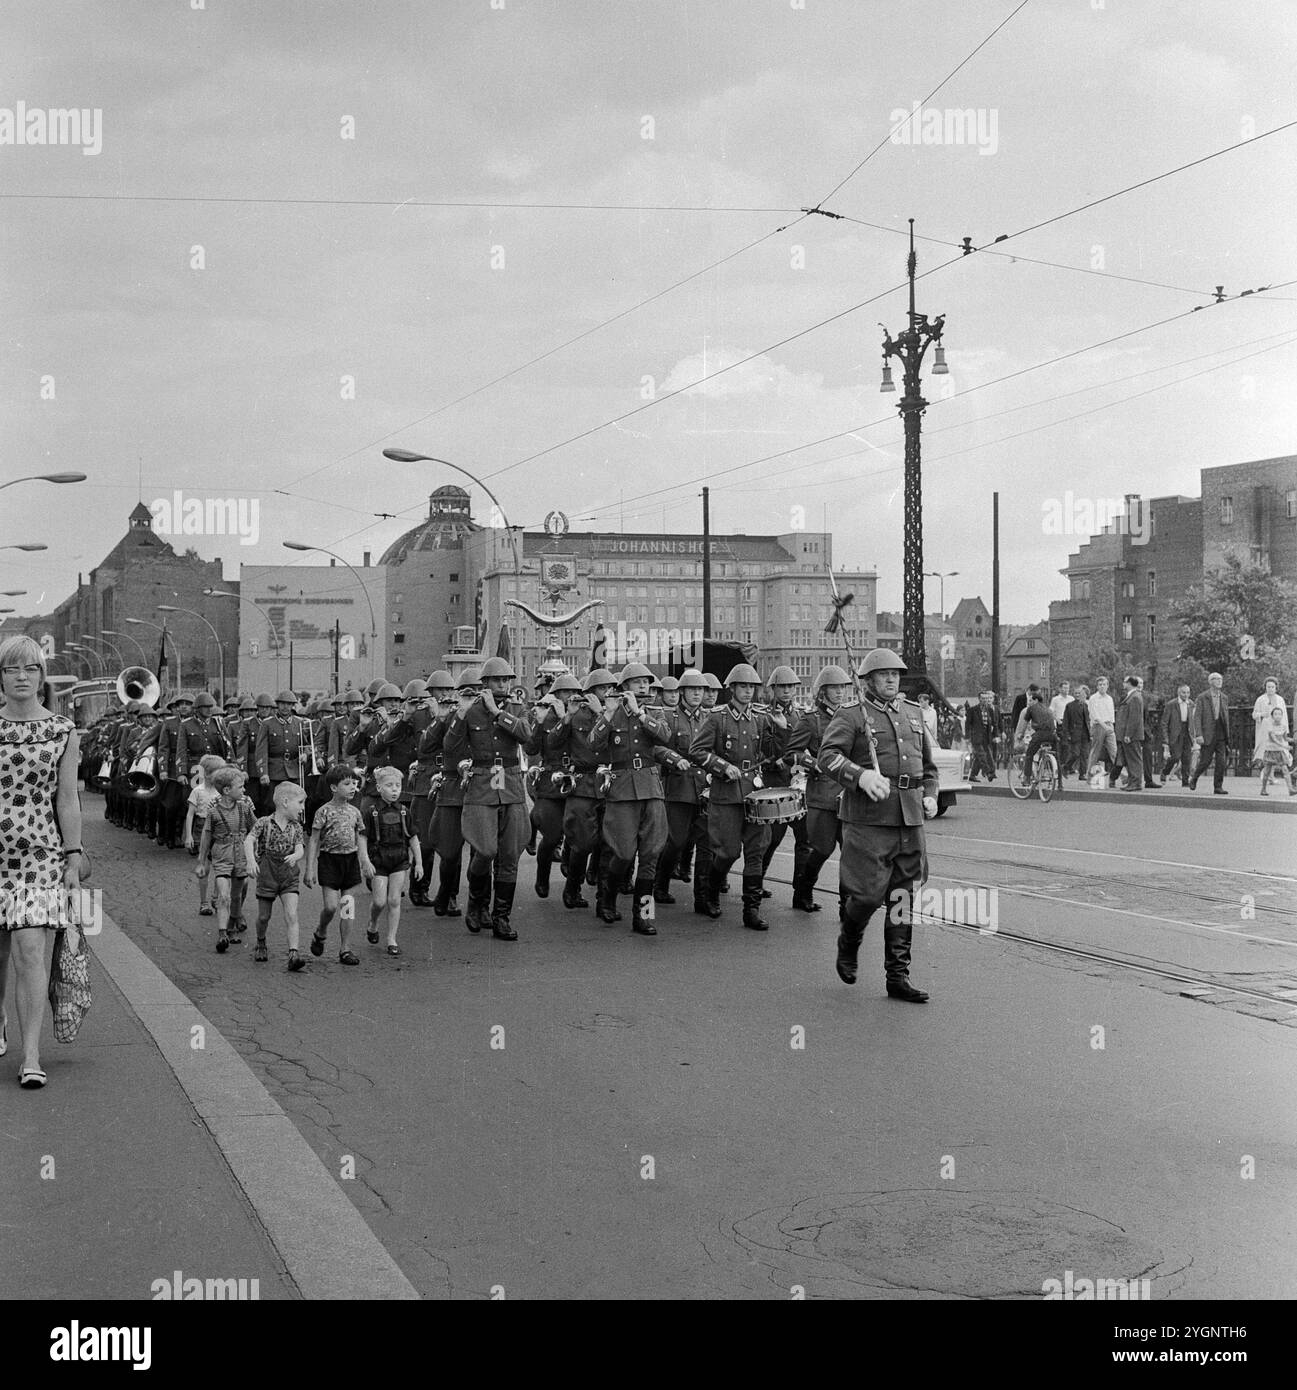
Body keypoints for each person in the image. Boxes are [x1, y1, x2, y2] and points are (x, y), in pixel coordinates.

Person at [816, 648, 937, 1001]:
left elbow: (927, 768)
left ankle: (897, 976)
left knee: (902, 896)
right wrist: (860, 775)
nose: (891, 680)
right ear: (867, 679)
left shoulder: (913, 714)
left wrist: (930, 793)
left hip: (909, 819)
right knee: (867, 895)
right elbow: (827, 757)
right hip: (869, 820)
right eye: (883, 674)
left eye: (895, 674)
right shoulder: (853, 715)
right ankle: (849, 939)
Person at [0, 636, 85, 1089]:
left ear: (41, 676)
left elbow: (67, 798)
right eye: (11, 669)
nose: (21, 677)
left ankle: (31, 1055)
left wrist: (73, 856)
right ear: (1, 677)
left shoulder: (62, 730)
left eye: (29, 669)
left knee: (30, 949)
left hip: (39, 855)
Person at [688, 663, 789, 931]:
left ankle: (751, 909)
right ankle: (710, 891)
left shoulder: (760, 717)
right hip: (726, 794)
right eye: (743, 686)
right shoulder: (717, 717)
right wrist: (722, 767)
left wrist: (782, 729)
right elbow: (697, 751)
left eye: (751, 687)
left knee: (757, 850)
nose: (747, 691)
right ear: (732, 688)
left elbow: (775, 753)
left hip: (754, 793)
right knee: (728, 851)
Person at [443, 656, 532, 941]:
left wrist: (497, 713)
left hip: (511, 784)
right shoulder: (470, 710)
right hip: (482, 784)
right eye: (497, 680)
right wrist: (459, 714)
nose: (503, 684)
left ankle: (501, 916)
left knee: (509, 854)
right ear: (485, 683)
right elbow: (450, 747)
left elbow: (526, 736)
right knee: (485, 849)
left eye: (506, 680)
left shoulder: (517, 707)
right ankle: (476, 903)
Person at [589, 663, 672, 935]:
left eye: (646, 682)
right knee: (623, 854)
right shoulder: (610, 714)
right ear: (624, 687)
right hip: (622, 790)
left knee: (651, 854)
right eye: (637, 682)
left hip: (651, 787)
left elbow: (664, 737)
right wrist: (608, 714)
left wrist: (639, 713)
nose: (644, 687)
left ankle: (644, 915)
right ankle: (607, 896)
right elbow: (593, 745)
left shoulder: (653, 712)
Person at [552, 668, 617, 913]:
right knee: (582, 843)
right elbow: (553, 743)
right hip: (582, 784)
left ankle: (604, 898)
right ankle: (573, 887)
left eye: (611, 689)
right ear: (589, 693)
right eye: (602, 689)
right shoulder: (575, 714)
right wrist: (566, 718)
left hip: (608, 784)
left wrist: (604, 714)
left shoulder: (615, 715)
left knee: (608, 843)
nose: (608, 693)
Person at [652, 668, 713, 914]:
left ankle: (702, 898)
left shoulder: (710, 718)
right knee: (675, 842)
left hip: (705, 787)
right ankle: (660, 884)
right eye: (692, 689)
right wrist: (673, 758)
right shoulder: (668, 717)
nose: (697, 694)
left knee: (707, 843)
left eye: (701, 690)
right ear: (682, 692)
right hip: (678, 787)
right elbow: (656, 747)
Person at [796, 665, 853, 916]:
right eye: (834, 688)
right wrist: (814, 763)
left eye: (842, 687)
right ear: (822, 692)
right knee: (821, 848)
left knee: (850, 852)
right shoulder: (811, 720)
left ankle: (846, 904)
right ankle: (803, 890)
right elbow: (792, 753)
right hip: (821, 794)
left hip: (848, 793)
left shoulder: (851, 716)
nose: (839, 692)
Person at [304, 763, 372, 964]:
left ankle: (345, 949)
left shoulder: (355, 812)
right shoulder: (323, 811)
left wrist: (364, 860)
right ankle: (321, 930)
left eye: (354, 784)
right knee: (331, 907)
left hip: (349, 861)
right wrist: (309, 870)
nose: (353, 787)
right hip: (329, 860)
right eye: (347, 784)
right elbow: (314, 840)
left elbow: (360, 836)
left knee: (347, 906)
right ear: (334, 787)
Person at [759, 667, 813, 908]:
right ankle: (755, 882)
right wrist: (781, 739)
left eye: (791, 687)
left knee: (805, 840)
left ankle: (801, 893)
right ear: (773, 689)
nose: (788, 691)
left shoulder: (801, 715)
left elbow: (804, 745)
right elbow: (765, 750)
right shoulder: (763, 716)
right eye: (783, 687)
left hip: (798, 785)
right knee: (772, 839)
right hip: (776, 785)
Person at [525, 673, 581, 899]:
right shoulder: (545, 717)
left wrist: (569, 717)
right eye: (564, 693)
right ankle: (542, 874)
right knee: (551, 835)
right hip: (551, 780)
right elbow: (531, 748)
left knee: (579, 836)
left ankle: (573, 889)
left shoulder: (583, 716)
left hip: (576, 779)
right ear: (555, 695)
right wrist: (542, 723)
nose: (569, 697)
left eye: (573, 693)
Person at [245, 781, 308, 969]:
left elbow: (300, 849)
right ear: (285, 802)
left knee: (292, 914)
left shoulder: (296, 826)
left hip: (289, 876)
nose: (303, 808)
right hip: (268, 874)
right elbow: (248, 840)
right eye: (300, 803)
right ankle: (261, 941)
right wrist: (250, 861)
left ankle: (293, 954)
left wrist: (296, 856)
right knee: (264, 917)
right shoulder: (264, 822)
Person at [196, 764, 256, 954]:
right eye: (241, 787)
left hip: (240, 857)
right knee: (223, 895)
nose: (244, 790)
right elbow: (206, 837)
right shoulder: (213, 813)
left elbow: (257, 829)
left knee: (236, 896)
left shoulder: (245, 808)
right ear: (227, 791)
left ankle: (232, 927)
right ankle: (222, 933)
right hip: (221, 856)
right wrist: (201, 861)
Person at [363, 766, 422, 956]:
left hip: (399, 860)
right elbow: (362, 838)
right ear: (379, 788)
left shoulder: (404, 811)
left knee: (394, 900)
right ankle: (373, 924)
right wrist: (365, 861)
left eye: (398, 785)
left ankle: (391, 939)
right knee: (379, 902)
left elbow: (413, 838)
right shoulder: (371, 812)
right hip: (379, 860)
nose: (395, 789)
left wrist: (419, 863)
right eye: (389, 785)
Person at [185, 753, 227, 915]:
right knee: (205, 866)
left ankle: (215, 898)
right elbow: (190, 814)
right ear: (208, 774)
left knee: (220, 866)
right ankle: (203, 902)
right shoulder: (198, 791)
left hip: (219, 828)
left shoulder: (222, 792)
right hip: (202, 827)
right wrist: (188, 836)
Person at [1190, 672, 1231, 794]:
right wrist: (1198, 734)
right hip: (1208, 733)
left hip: (1221, 732)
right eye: (1216, 679)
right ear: (1210, 682)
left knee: (1221, 761)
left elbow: (1225, 716)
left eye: (1220, 679)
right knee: (1205, 761)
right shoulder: (1203, 697)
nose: (1219, 681)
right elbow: (1197, 717)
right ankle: (1194, 778)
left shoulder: (1224, 697)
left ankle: (1218, 787)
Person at [1013, 688, 1058, 782]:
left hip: (1040, 734)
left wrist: (1020, 735)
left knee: (1029, 754)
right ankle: (1059, 782)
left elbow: (1024, 724)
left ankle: (1027, 778)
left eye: (1030, 700)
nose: (1029, 702)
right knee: (1057, 757)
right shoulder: (1048, 709)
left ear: (1036, 700)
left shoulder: (1031, 709)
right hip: (1052, 735)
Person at [1114, 675, 1145, 790]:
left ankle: (1136, 783)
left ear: (1130, 683)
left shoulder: (1135, 697)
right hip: (1128, 734)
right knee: (1130, 759)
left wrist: (1128, 734)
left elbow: (1134, 718)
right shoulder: (1131, 696)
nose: (1123, 684)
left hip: (1132, 735)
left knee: (1134, 759)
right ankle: (1132, 782)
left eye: (1125, 682)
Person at [1161, 683, 1195, 786]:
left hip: (1187, 732)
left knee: (1187, 758)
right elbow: (1164, 722)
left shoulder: (1191, 704)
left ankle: (1185, 781)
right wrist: (1166, 738)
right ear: (1178, 693)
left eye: (1188, 692)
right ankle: (1165, 772)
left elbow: (1193, 720)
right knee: (1175, 757)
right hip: (1175, 733)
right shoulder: (1171, 704)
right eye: (1183, 692)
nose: (1186, 695)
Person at [1085, 677, 1117, 782]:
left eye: (1104, 684)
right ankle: (1089, 775)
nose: (1102, 686)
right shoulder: (1093, 698)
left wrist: (1111, 726)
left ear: (1107, 685)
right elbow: (1094, 715)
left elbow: (1111, 714)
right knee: (1095, 751)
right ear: (1097, 686)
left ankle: (1122, 775)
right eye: (1100, 684)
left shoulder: (1109, 698)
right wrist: (1104, 726)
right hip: (1099, 726)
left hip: (1109, 725)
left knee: (1114, 751)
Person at [1258, 706, 1295, 796]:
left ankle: (1290, 789)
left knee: (1285, 769)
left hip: (1279, 751)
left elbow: (1285, 738)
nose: (1278, 716)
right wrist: (1285, 747)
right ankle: (1263, 789)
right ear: (1272, 716)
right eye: (1275, 714)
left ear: (1282, 716)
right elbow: (1274, 739)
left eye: (1279, 714)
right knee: (1267, 771)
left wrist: (1293, 740)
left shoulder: (1283, 726)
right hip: (1270, 750)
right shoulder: (1270, 726)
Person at [1251, 678, 1288, 768]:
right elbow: (1254, 714)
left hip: (1278, 729)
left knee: (1278, 750)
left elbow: (1285, 716)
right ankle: (1266, 773)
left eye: (1272, 687)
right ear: (1265, 687)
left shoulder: (1280, 700)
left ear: (1276, 688)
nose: (1270, 689)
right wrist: (1262, 714)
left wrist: (1285, 730)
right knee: (1265, 750)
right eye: (1268, 687)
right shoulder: (1260, 699)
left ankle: (1273, 774)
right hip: (1265, 729)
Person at [966, 689, 1000, 783]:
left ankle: (973, 775)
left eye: (986, 698)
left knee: (986, 755)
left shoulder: (990, 710)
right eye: (983, 698)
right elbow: (968, 724)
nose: (985, 700)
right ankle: (988, 772)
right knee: (981, 755)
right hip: (976, 736)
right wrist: (967, 737)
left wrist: (996, 735)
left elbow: (994, 723)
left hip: (986, 735)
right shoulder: (972, 710)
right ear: (979, 699)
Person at [1062, 685, 1090, 779]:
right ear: (1073, 695)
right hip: (1074, 734)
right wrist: (1067, 734)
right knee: (1075, 754)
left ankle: (1082, 774)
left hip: (1085, 734)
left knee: (1084, 755)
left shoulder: (1086, 705)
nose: (1078, 695)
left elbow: (1088, 720)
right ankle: (1066, 767)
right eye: (1076, 693)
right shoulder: (1069, 706)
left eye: (1079, 693)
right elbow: (1065, 721)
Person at [1141, 685, 1164, 788]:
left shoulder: (1146, 697)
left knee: (1148, 755)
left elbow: (1148, 715)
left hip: (1145, 731)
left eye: (1141, 683)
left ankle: (1148, 780)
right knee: (1128, 757)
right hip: (1133, 732)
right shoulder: (1127, 696)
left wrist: (1149, 729)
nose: (1140, 685)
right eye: (1137, 683)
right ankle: (1114, 777)